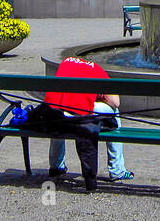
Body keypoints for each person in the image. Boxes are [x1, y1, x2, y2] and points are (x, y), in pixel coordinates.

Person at [26, 56, 132, 191]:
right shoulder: (98, 71)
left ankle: (57, 166)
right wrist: (100, 97)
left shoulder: (66, 62)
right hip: (80, 112)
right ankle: (117, 170)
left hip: (54, 115)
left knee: (59, 110)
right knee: (114, 111)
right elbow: (115, 102)